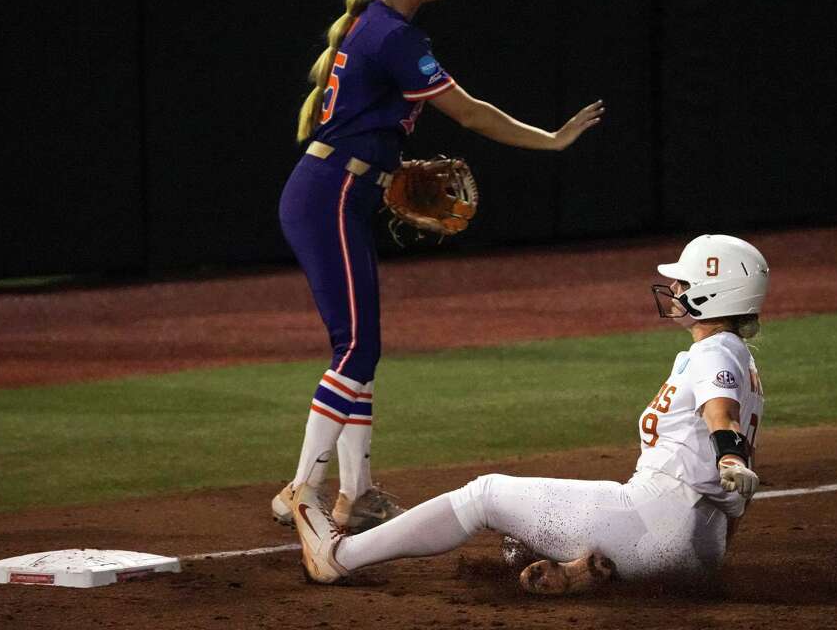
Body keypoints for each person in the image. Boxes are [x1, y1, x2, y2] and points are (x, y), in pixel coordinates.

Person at [272, 0, 605, 533]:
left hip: (336, 190)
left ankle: (357, 494)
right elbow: (472, 116)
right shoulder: (395, 36)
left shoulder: (374, 25)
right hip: (330, 193)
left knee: (359, 350)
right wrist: (552, 140)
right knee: (356, 348)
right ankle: (302, 489)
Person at [292, 235, 770, 594]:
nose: (672, 286)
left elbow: (719, 416)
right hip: (697, 546)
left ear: (713, 293)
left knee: (485, 496)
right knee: (518, 542)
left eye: (684, 281)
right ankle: (583, 573)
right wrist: (705, 557)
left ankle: (339, 557)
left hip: (653, 521)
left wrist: (728, 458)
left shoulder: (715, 355)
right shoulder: (740, 361)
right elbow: (728, 467)